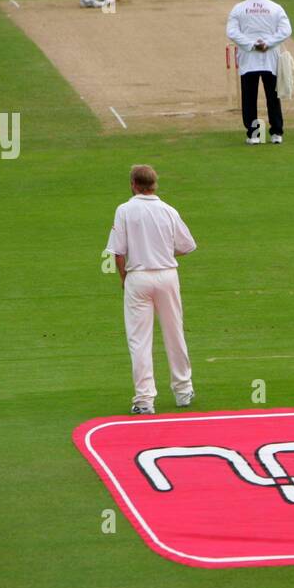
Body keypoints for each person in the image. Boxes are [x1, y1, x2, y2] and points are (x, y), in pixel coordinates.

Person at [104, 165, 197, 415]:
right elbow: (187, 245)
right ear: (154, 184)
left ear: (134, 184)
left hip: (139, 277)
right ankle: (183, 390)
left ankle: (145, 400)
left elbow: (118, 252)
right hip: (167, 275)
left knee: (139, 339)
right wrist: (165, 252)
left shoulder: (124, 210)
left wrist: (124, 279)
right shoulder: (168, 210)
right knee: (174, 332)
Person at [226, 0, 293, 144]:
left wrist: (252, 44)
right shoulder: (276, 7)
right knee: (273, 96)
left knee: (249, 97)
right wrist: (268, 43)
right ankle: (276, 133)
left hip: (248, 58)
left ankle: (255, 135)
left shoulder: (239, 8)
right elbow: (286, 30)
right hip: (270, 57)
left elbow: (232, 32)